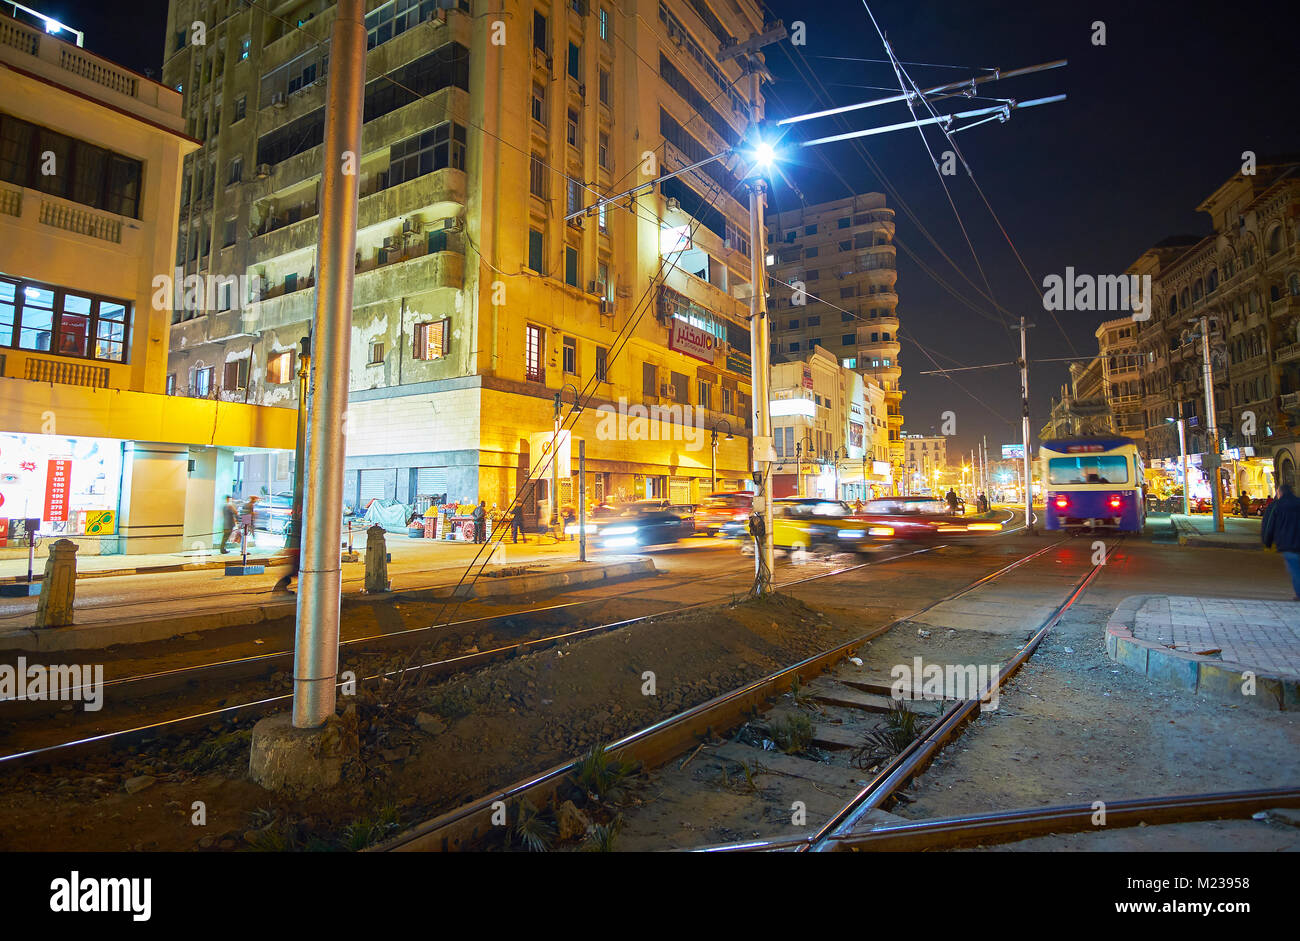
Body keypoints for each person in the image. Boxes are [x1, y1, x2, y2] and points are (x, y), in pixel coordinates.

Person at [1261, 483, 1300, 600]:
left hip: (1288, 544)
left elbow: (1268, 525)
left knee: (1296, 570)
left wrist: (1267, 542)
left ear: (1279, 493)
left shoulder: (1276, 506)